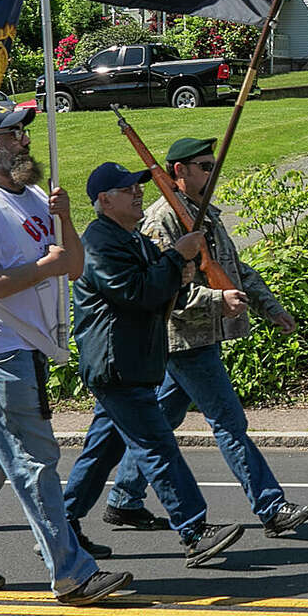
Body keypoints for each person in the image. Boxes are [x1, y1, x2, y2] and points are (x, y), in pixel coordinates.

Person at [0, 106, 132, 604]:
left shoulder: (36, 197)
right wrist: (42, 268)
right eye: (10, 134)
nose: (22, 141)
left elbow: (74, 266)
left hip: (26, 347)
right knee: (34, 461)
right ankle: (71, 573)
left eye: (22, 133)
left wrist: (65, 221)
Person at [95, 136, 308, 538]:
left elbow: (235, 267)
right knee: (229, 422)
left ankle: (124, 499)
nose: (212, 172)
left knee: (163, 418)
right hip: (184, 340)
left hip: (200, 335)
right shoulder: (164, 219)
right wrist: (217, 300)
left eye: (212, 165)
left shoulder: (201, 213)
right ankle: (271, 507)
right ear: (179, 172)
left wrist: (271, 308)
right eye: (204, 166)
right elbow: (167, 289)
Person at [63, 162, 248, 567]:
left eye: (137, 187)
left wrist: (190, 277)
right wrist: (175, 258)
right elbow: (136, 291)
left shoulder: (131, 239)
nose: (138, 193)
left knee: (101, 450)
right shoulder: (98, 242)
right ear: (104, 200)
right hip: (117, 364)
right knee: (157, 446)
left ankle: (61, 527)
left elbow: (166, 288)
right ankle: (194, 529)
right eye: (127, 189)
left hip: (134, 361)